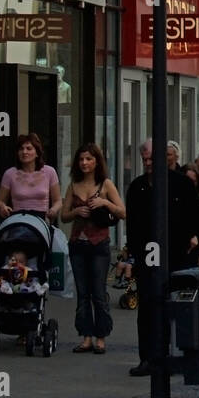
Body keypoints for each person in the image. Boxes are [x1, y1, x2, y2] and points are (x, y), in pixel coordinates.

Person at [125, 139, 199, 377]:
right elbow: (132, 226)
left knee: (175, 305)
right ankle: (148, 358)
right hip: (147, 257)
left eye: (152, 159)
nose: (148, 163)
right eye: (144, 159)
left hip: (177, 254)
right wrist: (132, 257)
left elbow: (198, 216)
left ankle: (173, 354)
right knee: (148, 307)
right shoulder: (137, 187)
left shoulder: (181, 184)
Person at [61, 143, 125, 354]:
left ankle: (101, 337)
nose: (84, 163)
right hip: (78, 244)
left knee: (99, 292)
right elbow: (63, 215)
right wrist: (77, 211)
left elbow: (123, 212)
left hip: (99, 244)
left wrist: (104, 204)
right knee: (83, 293)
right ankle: (86, 336)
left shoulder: (105, 184)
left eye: (89, 159)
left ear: (97, 161)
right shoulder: (73, 185)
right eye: (81, 160)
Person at [0, 133, 61, 223]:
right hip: (18, 220)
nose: (24, 152)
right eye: (21, 149)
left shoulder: (50, 172)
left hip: (42, 221)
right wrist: (3, 207)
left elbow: (58, 201)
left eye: (29, 149)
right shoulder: (10, 173)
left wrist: (53, 210)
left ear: (37, 153)